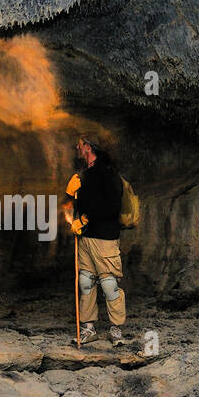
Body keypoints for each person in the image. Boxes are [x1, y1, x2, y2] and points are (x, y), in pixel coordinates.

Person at [63, 135, 126, 346]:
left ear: (88, 147)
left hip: (105, 237)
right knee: (86, 282)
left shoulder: (108, 172)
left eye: (80, 145)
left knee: (109, 284)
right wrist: (71, 194)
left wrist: (86, 219)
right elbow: (83, 204)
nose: (77, 147)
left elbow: (112, 206)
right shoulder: (86, 174)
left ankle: (116, 330)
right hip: (86, 237)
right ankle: (89, 329)